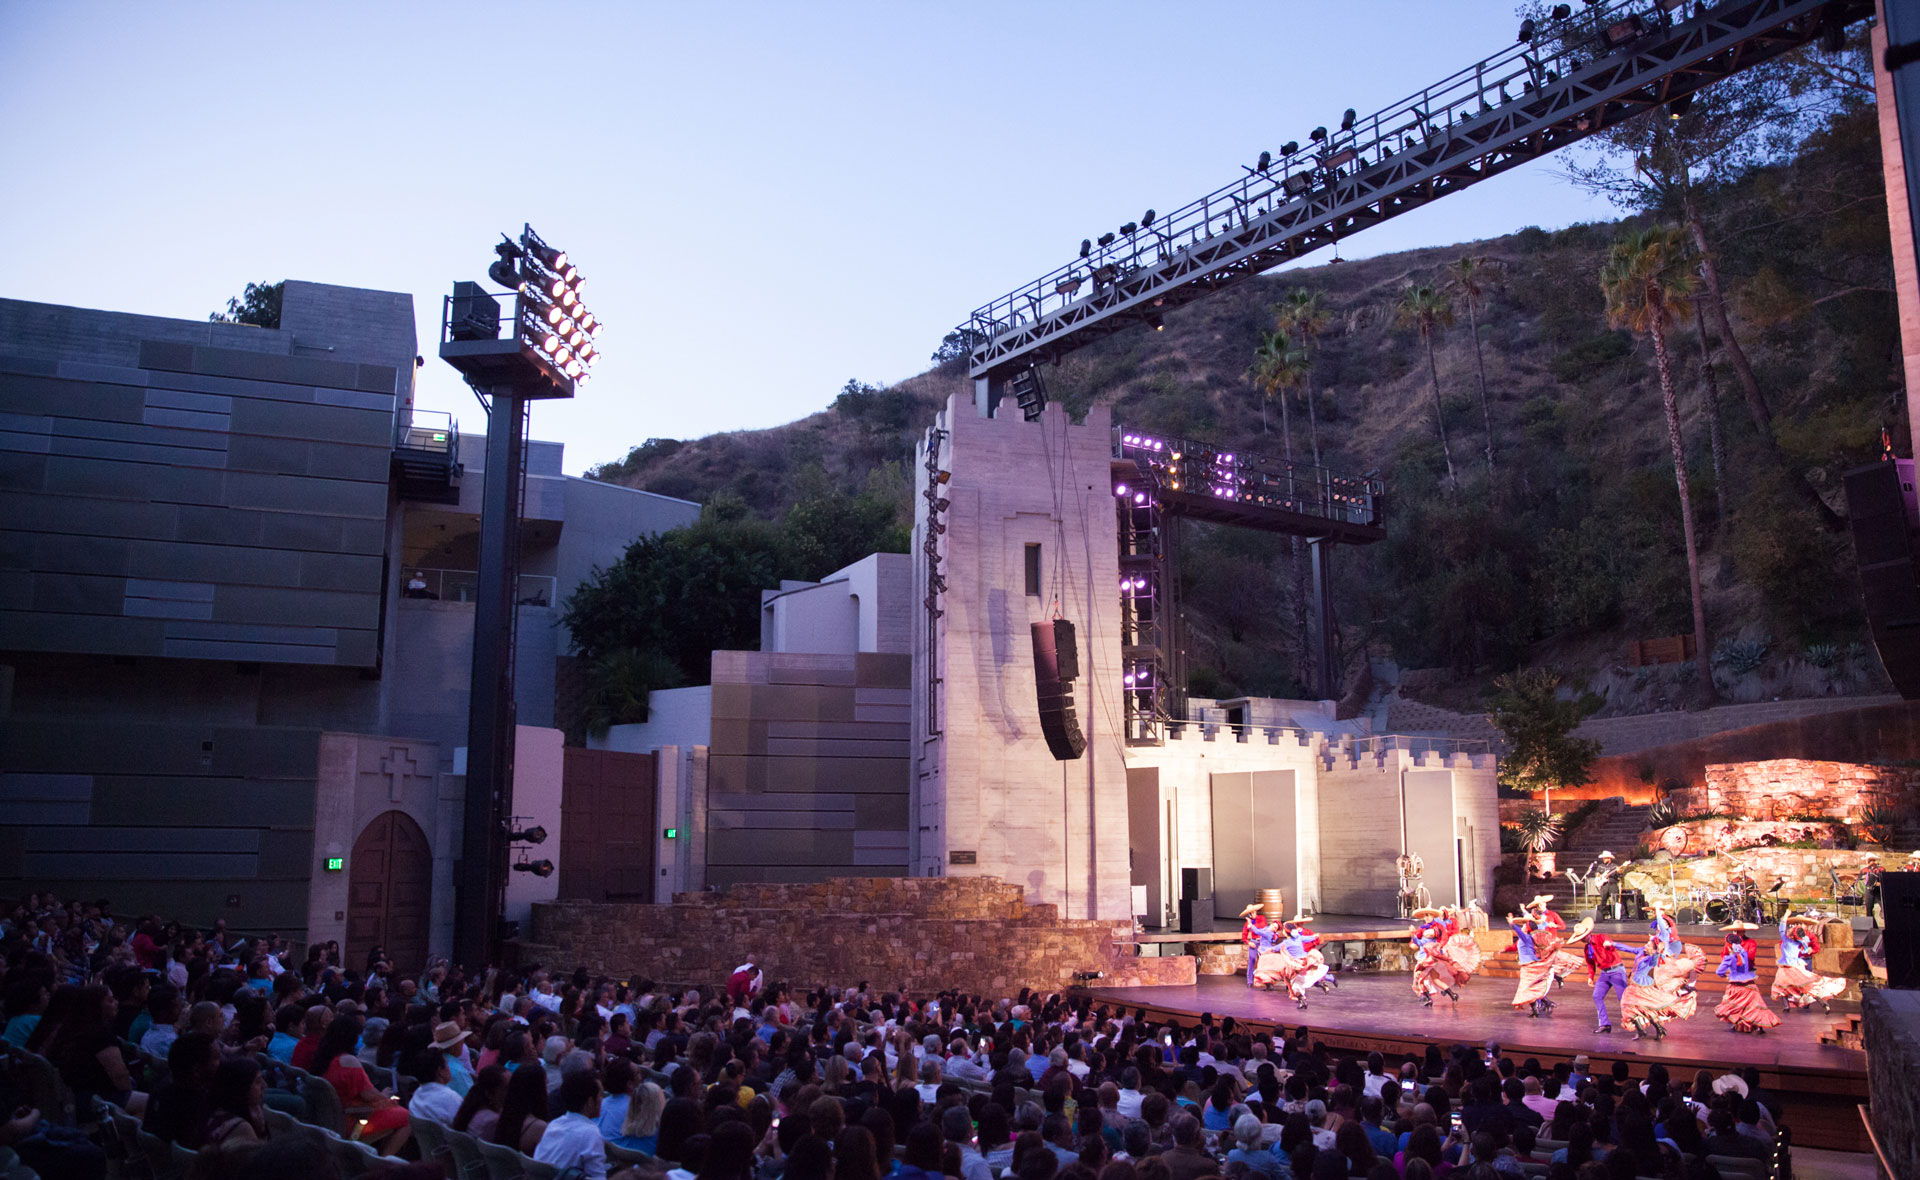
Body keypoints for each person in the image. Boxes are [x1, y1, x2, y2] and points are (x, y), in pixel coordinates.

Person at [312, 1015, 411, 1153]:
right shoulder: (348, 1061)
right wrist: (384, 1095)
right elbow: (369, 1095)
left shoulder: (323, 1057)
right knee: (407, 1117)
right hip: (356, 1123)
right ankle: (382, 1160)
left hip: (334, 1118)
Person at [536, 1071, 610, 1180]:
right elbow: (598, 1177)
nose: (602, 1100)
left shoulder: (554, 1124)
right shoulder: (590, 1133)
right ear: (590, 1102)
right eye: (600, 1095)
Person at [1713, 922, 1781, 1035]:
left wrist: (1729, 962)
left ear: (1743, 931)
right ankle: (1739, 1023)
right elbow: (1724, 954)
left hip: (1743, 978)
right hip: (1744, 979)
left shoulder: (1749, 944)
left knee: (1749, 1003)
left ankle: (1757, 1024)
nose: (1736, 933)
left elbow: (1749, 957)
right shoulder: (1735, 948)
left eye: (1738, 931)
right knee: (1744, 1003)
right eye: (1734, 931)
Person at [1771, 915, 1846, 1015]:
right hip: (1792, 966)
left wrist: (1784, 917)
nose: (1796, 926)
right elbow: (1799, 945)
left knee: (1800, 985)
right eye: (1796, 924)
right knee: (1785, 986)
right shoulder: (1796, 940)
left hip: (1795, 966)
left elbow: (1782, 931)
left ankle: (1816, 1003)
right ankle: (1787, 1006)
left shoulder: (1798, 939)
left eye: (1799, 924)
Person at [201, 1057, 268, 1149]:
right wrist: (261, 1132)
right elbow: (260, 1160)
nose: (264, 1085)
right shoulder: (241, 1127)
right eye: (258, 1081)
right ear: (241, 1088)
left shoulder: (210, 1111)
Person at [1505, 915, 1558, 1018]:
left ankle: (1539, 1007)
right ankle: (1544, 1005)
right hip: (1529, 964)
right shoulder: (1530, 937)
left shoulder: (1526, 937)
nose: (1523, 927)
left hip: (1529, 966)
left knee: (1527, 989)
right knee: (1531, 988)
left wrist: (1512, 924)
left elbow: (1518, 932)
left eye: (1525, 925)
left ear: (1527, 928)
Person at [1409, 909, 1461, 1008]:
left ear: (1433, 916)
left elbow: (1443, 938)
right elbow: (1418, 942)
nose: (1426, 917)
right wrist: (1413, 935)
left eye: (1428, 915)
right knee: (1435, 978)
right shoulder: (1422, 928)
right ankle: (1453, 995)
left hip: (1430, 957)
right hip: (1423, 955)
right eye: (1425, 916)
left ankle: (1428, 999)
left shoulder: (1437, 927)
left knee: (1419, 977)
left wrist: (1439, 945)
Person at [1582, 932, 1628, 1035]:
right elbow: (1590, 963)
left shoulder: (1601, 937)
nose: (1582, 939)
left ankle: (1636, 1023)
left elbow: (1611, 947)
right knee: (1597, 996)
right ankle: (1604, 1024)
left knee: (1623, 999)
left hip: (1616, 970)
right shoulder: (1587, 948)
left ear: (1588, 934)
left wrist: (1609, 944)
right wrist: (1590, 976)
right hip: (1605, 973)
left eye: (1583, 936)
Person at [407, 1047, 462, 1124]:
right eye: (447, 1064)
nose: (449, 1068)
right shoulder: (451, 1098)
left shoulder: (416, 1095)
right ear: (440, 1071)